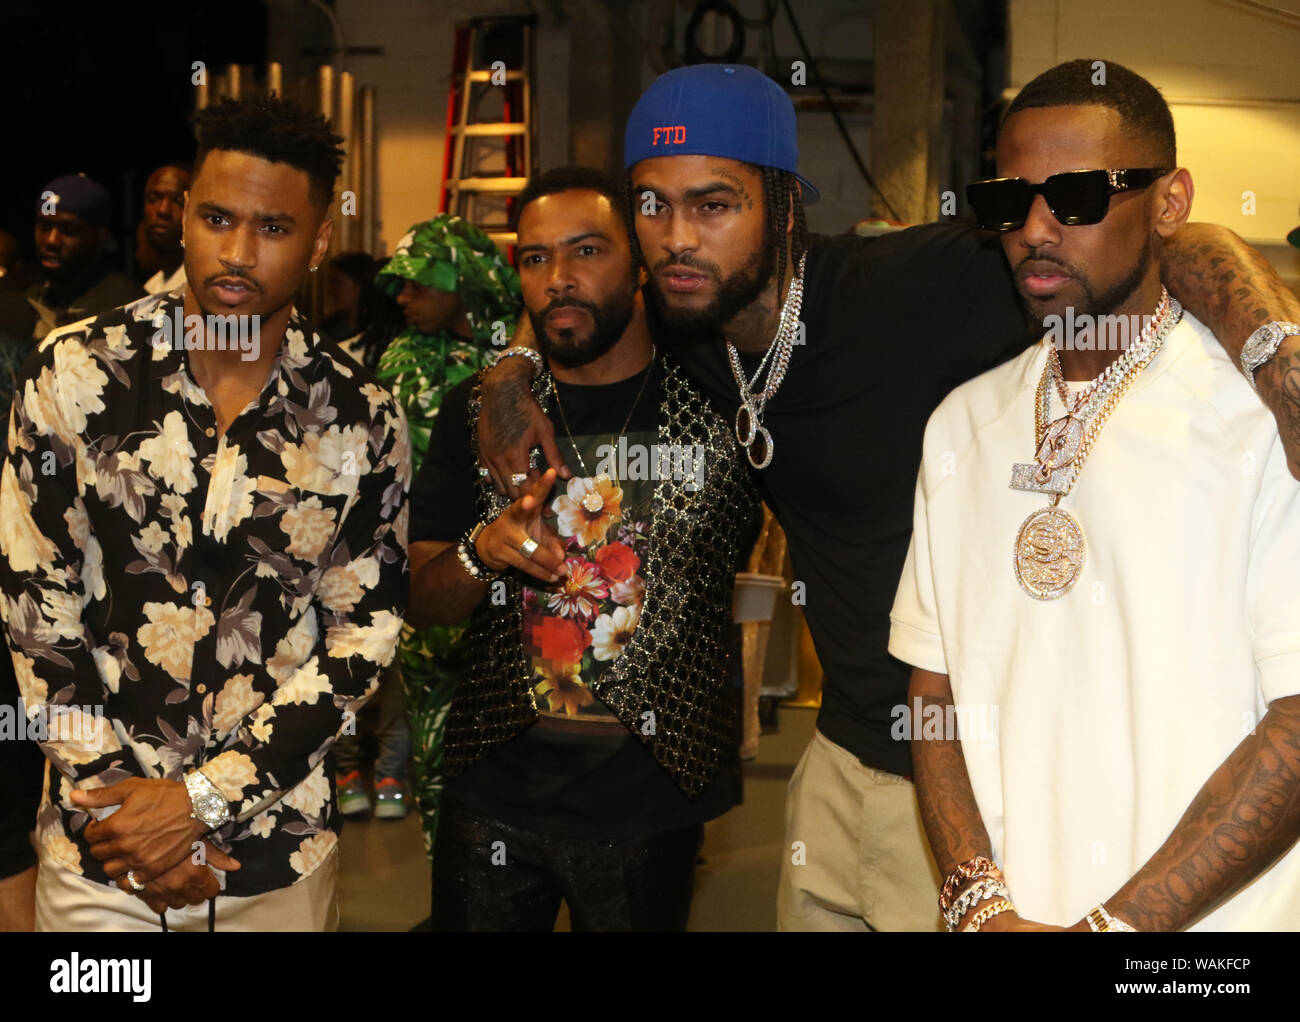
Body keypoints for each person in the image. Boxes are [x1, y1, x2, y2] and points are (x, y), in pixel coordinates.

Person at [474, 63, 1300, 931]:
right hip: (840, 753)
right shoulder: (687, 317)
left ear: (784, 207)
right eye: (652, 206)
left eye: (713, 204)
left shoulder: (918, 286)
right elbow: (574, 297)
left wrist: (1274, 350)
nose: (677, 238)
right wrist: (510, 373)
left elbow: (1164, 241)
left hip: (963, 793)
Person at [889, 59, 1300, 932]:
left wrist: (1116, 932)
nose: (1036, 229)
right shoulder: (962, 425)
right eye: (1010, 202)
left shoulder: (1263, 426)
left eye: (1076, 196)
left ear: (1170, 201)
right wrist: (975, 898)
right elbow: (933, 687)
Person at [0, 96, 410, 931]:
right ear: (182, 214)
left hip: (274, 857)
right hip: (98, 862)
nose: (235, 253)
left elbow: (362, 635)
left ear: (319, 239)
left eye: (272, 228)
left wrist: (200, 802)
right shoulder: (75, 374)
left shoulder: (364, 415)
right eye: (217, 217)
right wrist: (124, 813)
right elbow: (33, 599)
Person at [409, 167, 759, 931]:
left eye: (587, 251)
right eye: (535, 259)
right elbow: (421, 599)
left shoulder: (720, 401)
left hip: (651, 799)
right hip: (492, 787)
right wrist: (483, 551)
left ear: (639, 262)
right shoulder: (482, 414)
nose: (559, 280)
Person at [25, 173, 142, 340]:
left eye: (68, 230)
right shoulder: (29, 297)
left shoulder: (126, 308)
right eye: (44, 227)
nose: (52, 241)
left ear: (100, 235)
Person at [140, 163, 192, 294]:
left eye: (178, 201)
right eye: (154, 199)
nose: (163, 210)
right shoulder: (150, 287)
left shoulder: (197, 286)